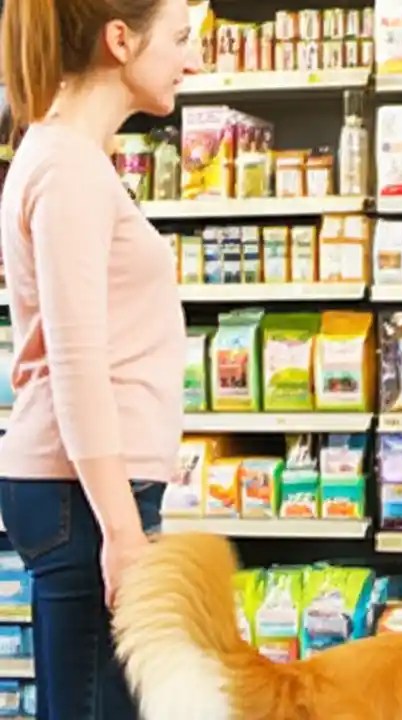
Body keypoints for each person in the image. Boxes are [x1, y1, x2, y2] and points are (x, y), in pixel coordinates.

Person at [0, 0, 199, 717]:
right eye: (180, 40)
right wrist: (121, 532)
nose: (194, 59)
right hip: (85, 496)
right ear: (120, 40)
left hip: (84, 488)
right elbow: (79, 361)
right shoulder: (70, 169)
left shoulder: (65, 159)